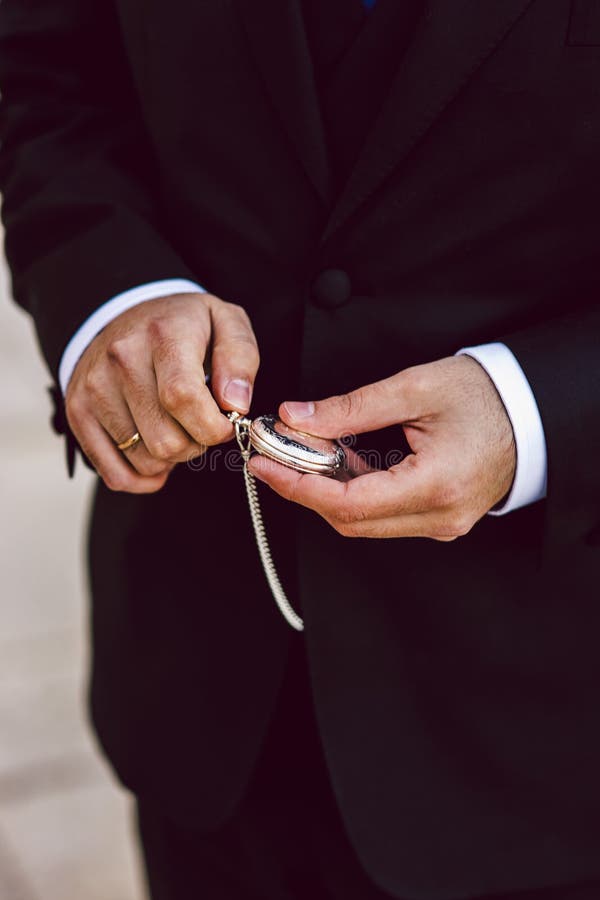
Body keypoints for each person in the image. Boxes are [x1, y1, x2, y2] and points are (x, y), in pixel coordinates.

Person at [1, 1, 599, 897]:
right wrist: (112, 290)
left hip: (551, 737)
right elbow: (47, 72)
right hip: (204, 682)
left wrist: (542, 411)